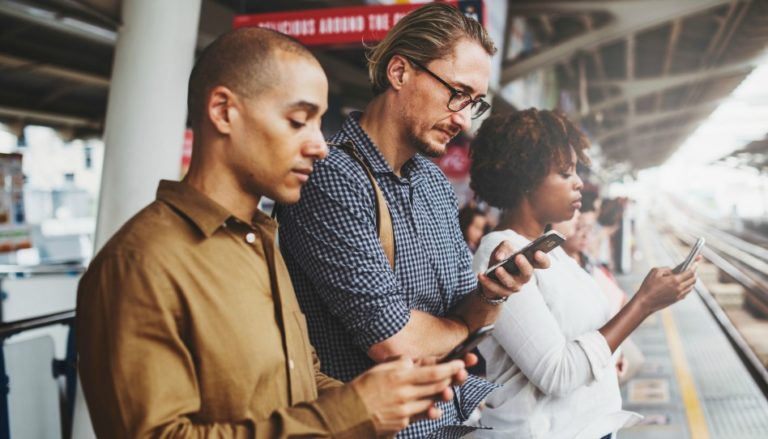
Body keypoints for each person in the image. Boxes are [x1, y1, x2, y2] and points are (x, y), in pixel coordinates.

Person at [76, 27, 473, 438]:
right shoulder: (140, 264)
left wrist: (389, 399)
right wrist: (353, 410)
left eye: (319, 124)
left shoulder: (259, 242)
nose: (320, 145)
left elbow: (298, 383)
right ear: (223, 111)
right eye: (298, 121)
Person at [276, 3, 547, 437]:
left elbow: (468, 309)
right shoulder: (332, 179)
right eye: (456, 93)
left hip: (453, 423)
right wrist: (461, 323)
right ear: (399, 73)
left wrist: (493, 293)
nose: (462, 118)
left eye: (473, 104)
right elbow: (396, 342)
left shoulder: (434, 184)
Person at [467, 109, 699, 439]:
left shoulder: (551, 250)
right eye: (565, 173)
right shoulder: (500, 254)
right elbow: (557, 374)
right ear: (526, 179)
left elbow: (589, 332)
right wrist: (644, 303)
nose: (579, 182)